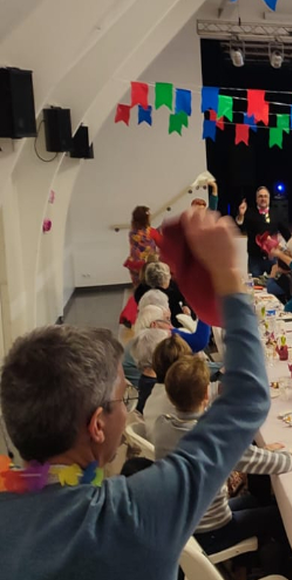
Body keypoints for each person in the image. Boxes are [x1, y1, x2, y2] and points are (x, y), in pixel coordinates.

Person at [0, 207, 270, 579]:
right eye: (121, 400)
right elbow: (248, 399)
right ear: (96, 425)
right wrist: (230, 277)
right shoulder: (132, 514)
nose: (127, 412)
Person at [154, 356, 292, 572]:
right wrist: (289, 455)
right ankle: (286, 571)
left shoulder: (162, 425)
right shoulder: (215, 438)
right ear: (205, 395)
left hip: (183, 524)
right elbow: (279, 464)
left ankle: (247, 564)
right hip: (212, 530)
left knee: (256, 500)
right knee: (280, 517)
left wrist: (255, 452)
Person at [235, 186, 292, 277]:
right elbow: (240, 228)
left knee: (275, 283)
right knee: (256, 285)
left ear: (269, 199)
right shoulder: (249, 212)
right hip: (255, 258)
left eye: (265, 196)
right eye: (260, 196)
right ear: (256, 199)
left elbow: (285, 232)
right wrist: (241, 215)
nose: (263, 199)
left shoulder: (276, 213)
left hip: (272, 257)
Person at [134, 261, 191, 328]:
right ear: (164, 278)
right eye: (169, 275)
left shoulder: (140, 291)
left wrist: (185, 306)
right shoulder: (164, 294)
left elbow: (182, 299)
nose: (170, 277)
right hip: (168, 325)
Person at [125, 205, 161, 285]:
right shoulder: (152, 232)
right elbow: (161, 244)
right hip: (147, 265)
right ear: (146, 219)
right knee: (150, 286)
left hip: (134, 264)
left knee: (138, 287)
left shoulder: (132, 232)